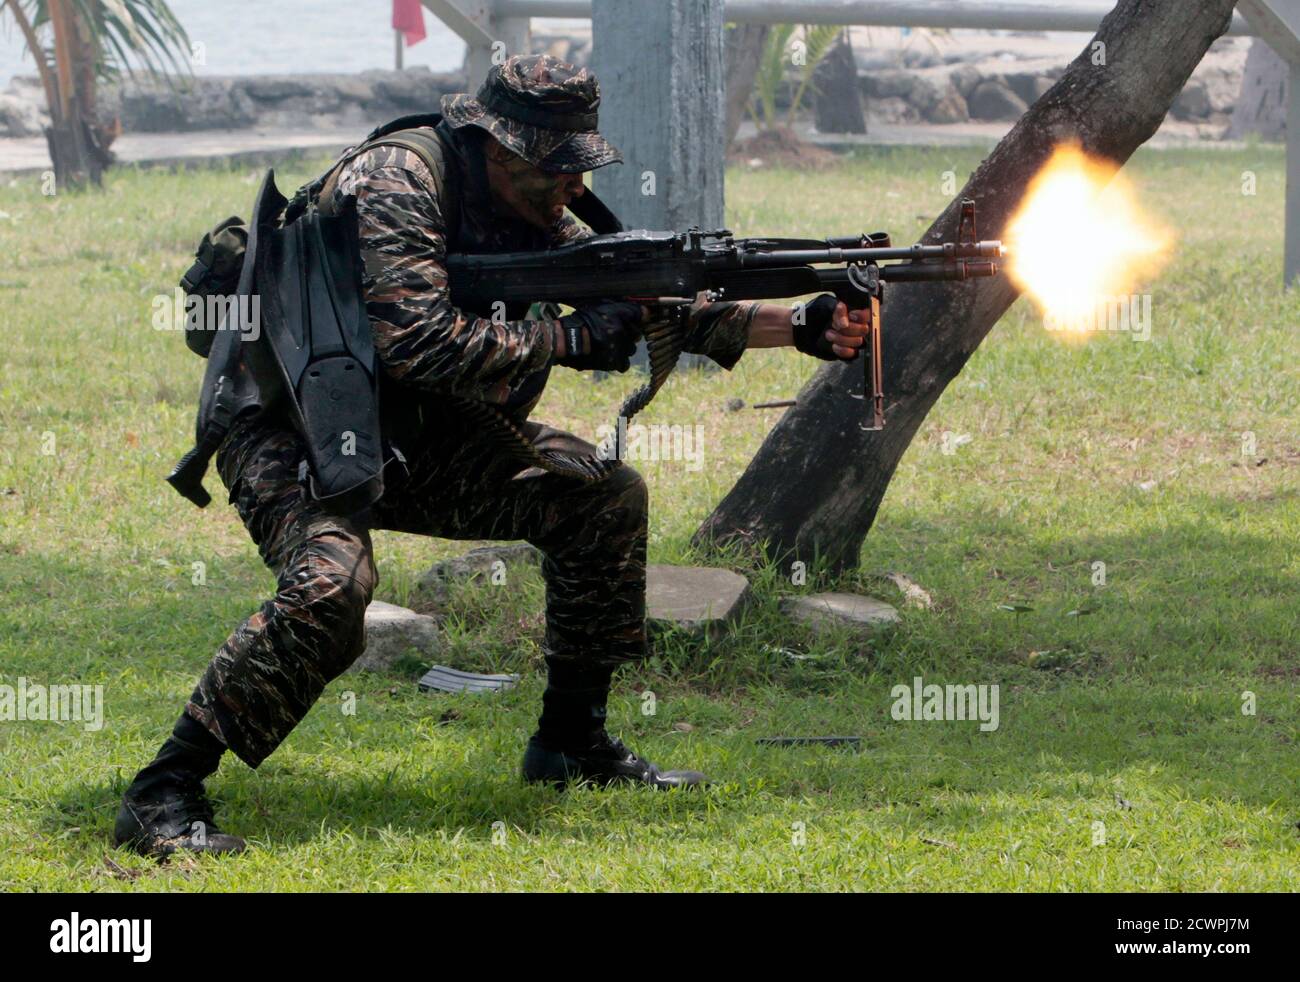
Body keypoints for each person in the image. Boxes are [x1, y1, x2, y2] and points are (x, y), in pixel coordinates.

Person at [115, 55, 872, 858]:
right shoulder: (399, 181)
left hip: (418, 431)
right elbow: (418, 341)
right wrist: (570, 337)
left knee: (600, 498)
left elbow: (640, 292)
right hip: (294, 424)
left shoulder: (533, 201)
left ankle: (570, 746)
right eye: (554, 171)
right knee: (331, 589)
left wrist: (794, 324)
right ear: (495, 147)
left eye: (575, 168)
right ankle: (163, 790)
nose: (570, 191)